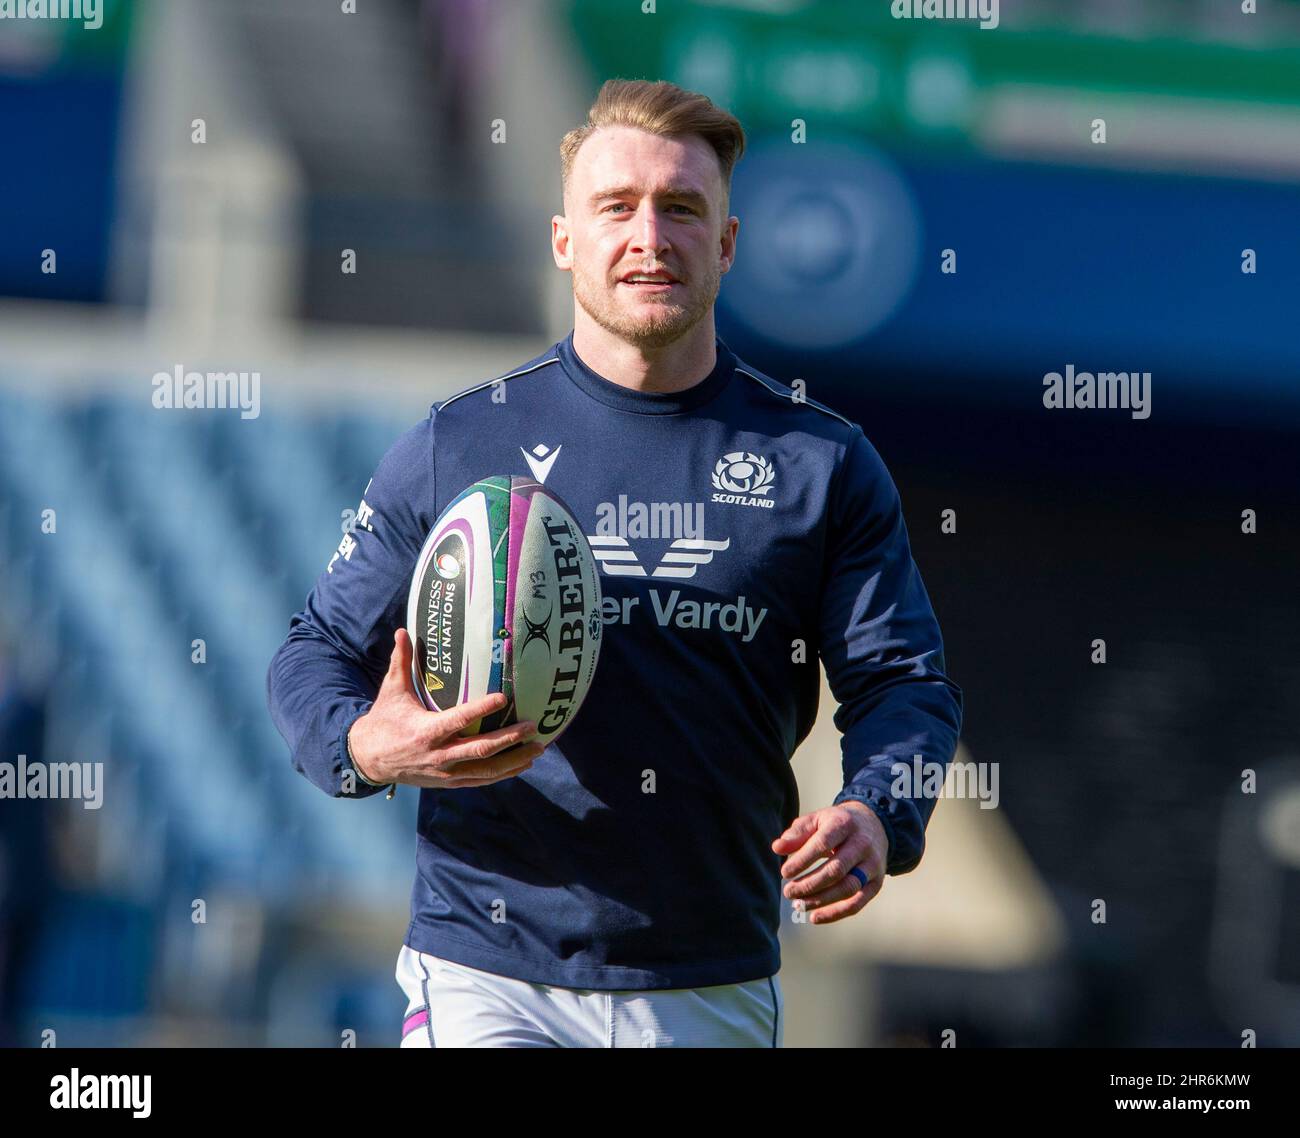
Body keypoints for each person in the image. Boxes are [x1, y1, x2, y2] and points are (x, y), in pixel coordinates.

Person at [267, 78, 962, 1048]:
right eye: (616, 207)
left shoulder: (820, 462)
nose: (649, 235)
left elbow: (904, 685)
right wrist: (365, 748)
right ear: (566, 242)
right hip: (489, 965)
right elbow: (312, 653)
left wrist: (878, 811)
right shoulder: (460, 444)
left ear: (724, 244)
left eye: (682, 208)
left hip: (705, 975)